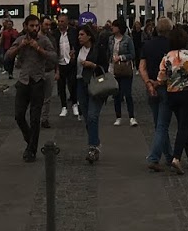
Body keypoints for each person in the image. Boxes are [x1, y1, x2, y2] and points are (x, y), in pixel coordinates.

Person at [156, 24, 188, 174]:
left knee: (184, 123)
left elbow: (161, 78)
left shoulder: (166, 57)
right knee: (184, 126)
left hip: (172, 94)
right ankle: (176, 158)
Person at [8, 13, 57, 162]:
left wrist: (39, 49)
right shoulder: (20, 40)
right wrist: (20, 47)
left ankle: (31, 150)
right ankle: (30, 139)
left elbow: (54, 57)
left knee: (35, 118)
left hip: (38, 81)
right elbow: (7, 56)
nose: (35, 28)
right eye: (32, 26)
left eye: (36, 26)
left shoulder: (44, 40)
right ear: (25, 26)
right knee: (19, 115)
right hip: (23, 82)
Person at [140, 16, 173, 172]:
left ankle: (169, 156)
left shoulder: (147, 45)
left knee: (159, 124)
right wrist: (159, 83)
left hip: (151, 87)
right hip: (165, 87)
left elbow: (142, 67)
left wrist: (148, 83)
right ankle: (154, 157)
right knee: (162, 125)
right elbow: (172, 70)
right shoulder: (172, 46)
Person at [77, 22, 113, 163]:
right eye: (79, 35)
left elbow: (105, 67)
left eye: (82, 35)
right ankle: (96, 142)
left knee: (92, 116)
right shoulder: (77, 49)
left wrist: (93, 65)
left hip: (96, 84)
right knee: (87, 117)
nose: (79, 37)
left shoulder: (98, 49)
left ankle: (92, 148)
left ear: (89, 36)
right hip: (81, 84)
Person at [109, 18, 139, 127]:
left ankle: (132, 117)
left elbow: (132, 54)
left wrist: (121, 57)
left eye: (114, 26)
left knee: (128, 93)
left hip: (125, 68)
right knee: (116, 94)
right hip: (113, 68)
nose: (112, 28)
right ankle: (118, 116)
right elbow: (108, 52)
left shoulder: (127, 40)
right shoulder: (111, 39)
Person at [57, 19, 79, 119]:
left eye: (62, 21)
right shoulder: (55, 33)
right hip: (60, 62)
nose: (60, 23)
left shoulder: (73, 32)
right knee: (61, 86)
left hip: (71, 61)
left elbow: (77, 44)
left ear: (67, 22)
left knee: (72, 83)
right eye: (59, 21)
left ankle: (74, 103)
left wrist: (75, 52)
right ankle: (64, 106)